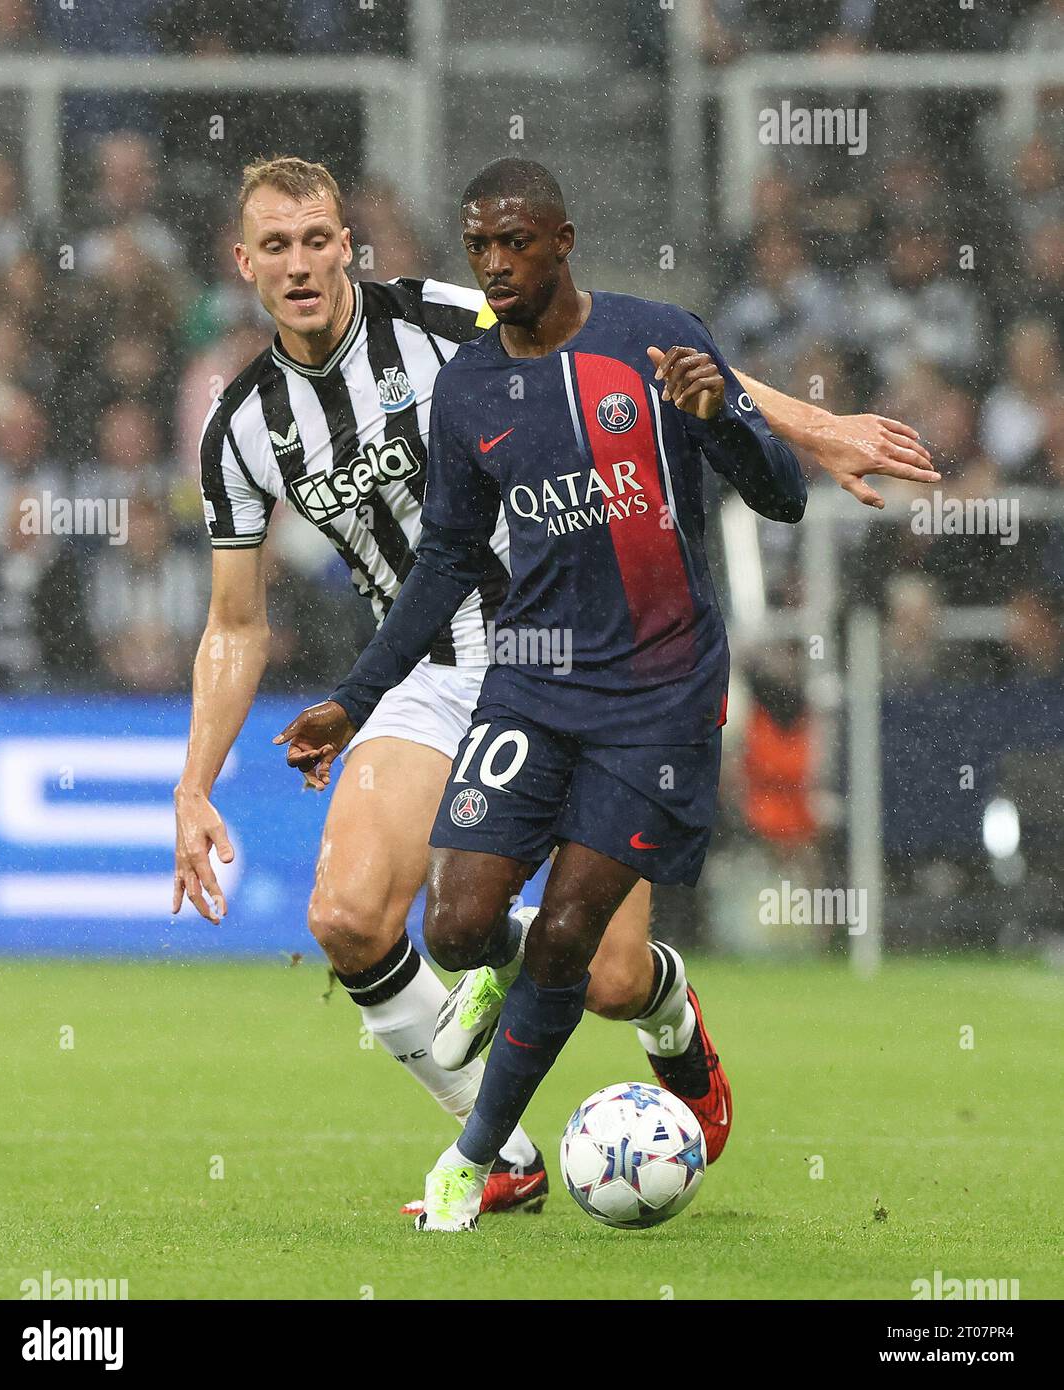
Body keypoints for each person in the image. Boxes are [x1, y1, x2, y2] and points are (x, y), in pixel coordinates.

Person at [175, 155, 937, 1220]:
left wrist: (817, 429)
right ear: (243, 262)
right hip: (426, 665)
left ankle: (665, 1007)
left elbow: (659, 356)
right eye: (277, 245)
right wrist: (193, 786)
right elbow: (236, 622)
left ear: (348, 244)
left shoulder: (442, 316)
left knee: (611, 977)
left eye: (317, 240)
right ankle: (505, 1154)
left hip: (566, 647)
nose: (300, 264)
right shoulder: (242, 428)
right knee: (349, 916)